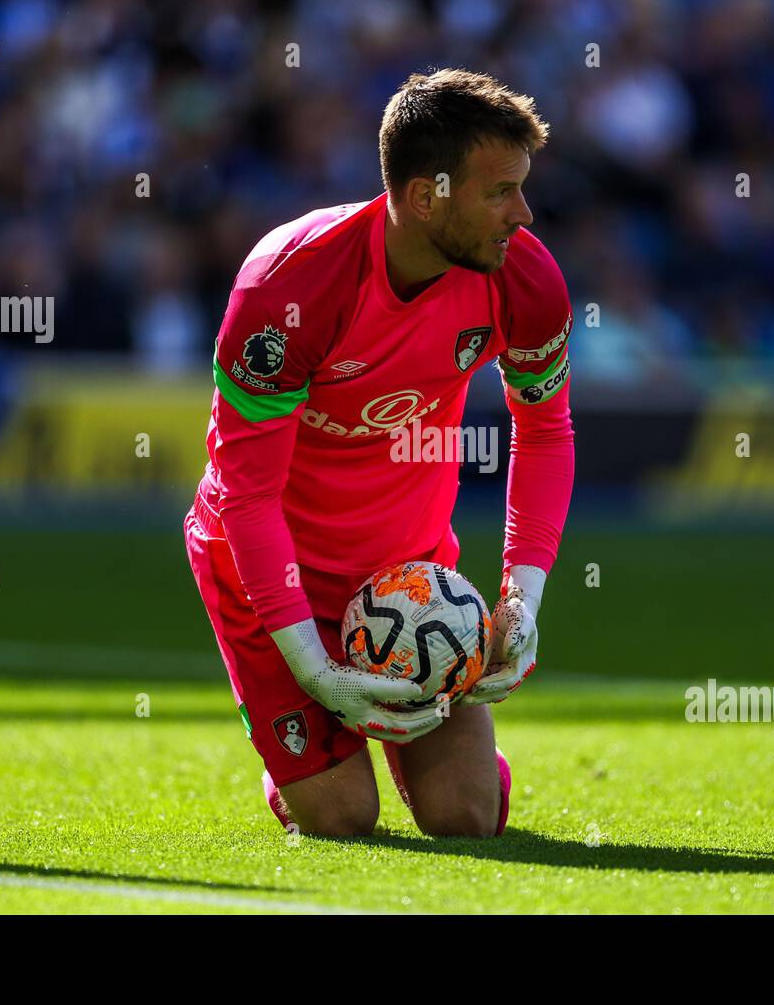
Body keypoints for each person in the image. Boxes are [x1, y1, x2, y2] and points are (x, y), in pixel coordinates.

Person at [184, 69, 575, 838]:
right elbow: (247, 496)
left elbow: (546, 430)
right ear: (428, 196)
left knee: (468, 815)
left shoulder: (524, 278)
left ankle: (402, 754)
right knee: (341, 820)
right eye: (500, 192)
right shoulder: (286, 288)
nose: (522, 214)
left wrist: (522, 595)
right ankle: (297, 767)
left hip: (411, 590)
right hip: (269, 581)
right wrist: (314, 665)